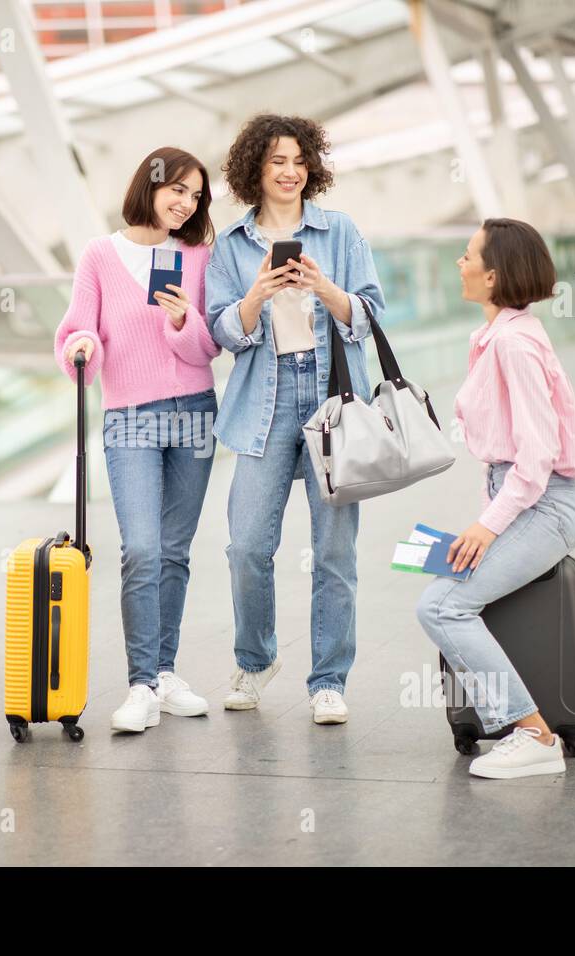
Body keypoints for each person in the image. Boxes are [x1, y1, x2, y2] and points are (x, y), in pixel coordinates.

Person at [205, 114, 385, 724]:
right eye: (277, 161)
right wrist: (256, 295)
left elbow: (369, 315)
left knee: (335, 551)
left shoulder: (340, 231)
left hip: (332, 399)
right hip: (265, 403)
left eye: (299, 161)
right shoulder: (229, 245)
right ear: (254, 169)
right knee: (247, 546)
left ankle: (329, 680)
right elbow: (224, 331)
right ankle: (255, 661)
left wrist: (325, 289)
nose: (290, 171)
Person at [415, 217, 575, 779]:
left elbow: (535, 457)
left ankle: (532, 733)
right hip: (523, 500)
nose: (459, 265)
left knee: (441, 605)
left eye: (468, 257)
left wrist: (488, 527)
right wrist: (486, 520)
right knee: (432, 566)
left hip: (547, 505)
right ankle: (526, 727)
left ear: (492, 276)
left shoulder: (513, 343)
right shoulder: (497, 335)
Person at [53, 146, 221, 733]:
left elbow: (210, 346)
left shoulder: (198, 255)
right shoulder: (100, 255)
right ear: (148, 185)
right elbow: (80, 329)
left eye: (196, 195)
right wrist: (82, 349)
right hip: (130, 418)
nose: (186, 202)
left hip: (196, 414)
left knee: (174, 551)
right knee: (141, 550)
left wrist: (181, 323)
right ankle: (140, 685)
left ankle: (165, 673)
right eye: (178, 189)